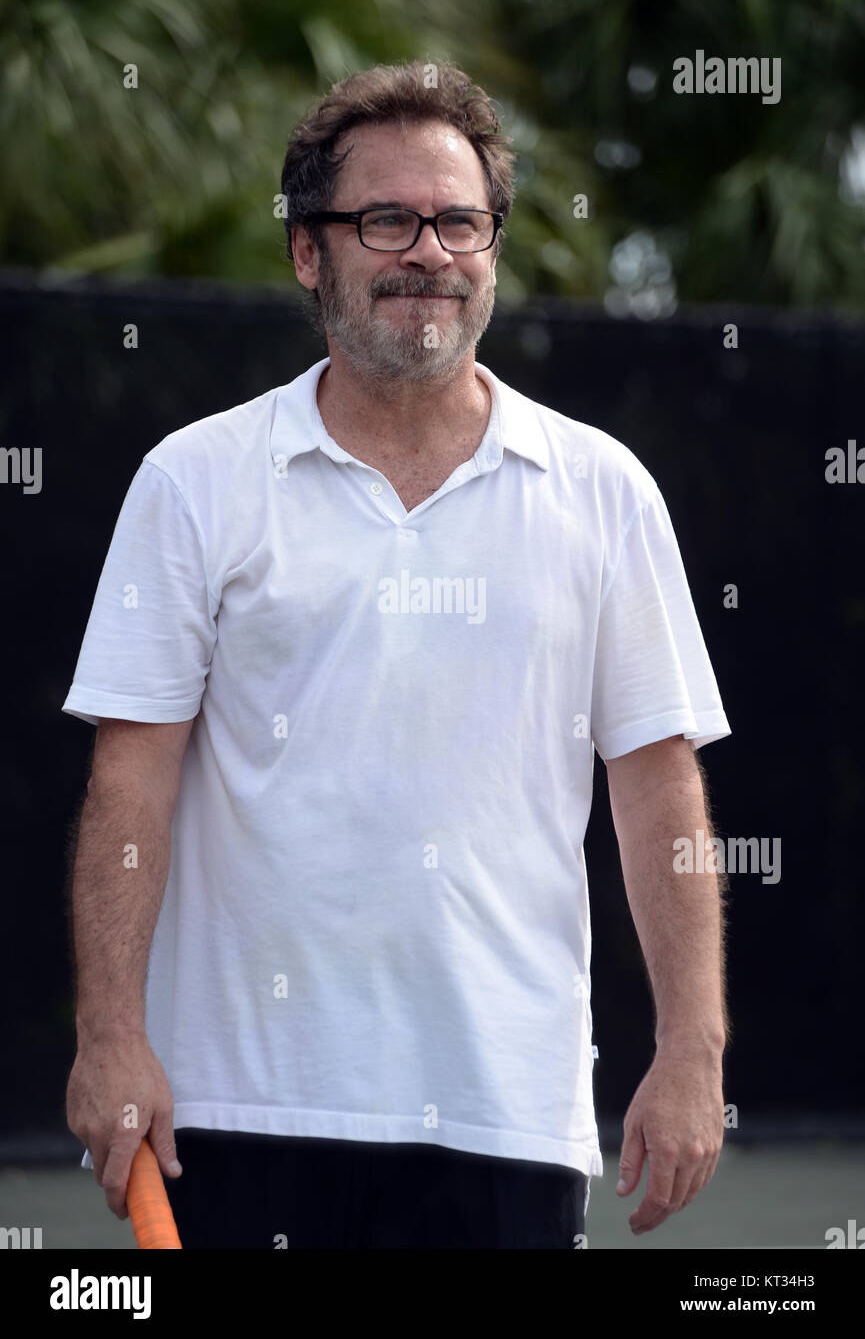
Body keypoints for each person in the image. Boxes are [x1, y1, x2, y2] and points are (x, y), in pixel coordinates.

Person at [63, 60, 731, 1250]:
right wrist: (110, 1032)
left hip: (504, 1115)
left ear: (491, 244)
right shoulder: (194, 480)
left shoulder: (603, 490)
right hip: (240, 1111)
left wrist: (692, 1050)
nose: (428, 250)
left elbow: (656, 786)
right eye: (386, 218)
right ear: (309, 251)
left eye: (459, 220)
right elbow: (132, 783)